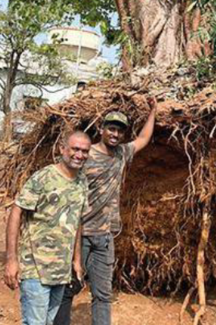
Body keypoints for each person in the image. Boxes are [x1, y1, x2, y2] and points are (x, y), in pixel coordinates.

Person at [53, 97, 159, 325]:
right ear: (101, 129)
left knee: (103, 294)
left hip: (104, 237)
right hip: (79, 235)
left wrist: (153, 111)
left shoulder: (122, 153)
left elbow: (143, 139)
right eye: (111, 128)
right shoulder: (85, 155)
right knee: (69, 288)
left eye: (120, 131)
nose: (115, 134)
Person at [5, 132, 91, 325]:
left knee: (48, 322)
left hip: (60, 270)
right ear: (63, 149)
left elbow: (76, 221)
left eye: (84, 151)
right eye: (75, 149)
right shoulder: (44, 177)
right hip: (36, 267)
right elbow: (16, 211)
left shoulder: (82, 182)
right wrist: (11, 259)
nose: (79, 155)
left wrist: (77, 261)